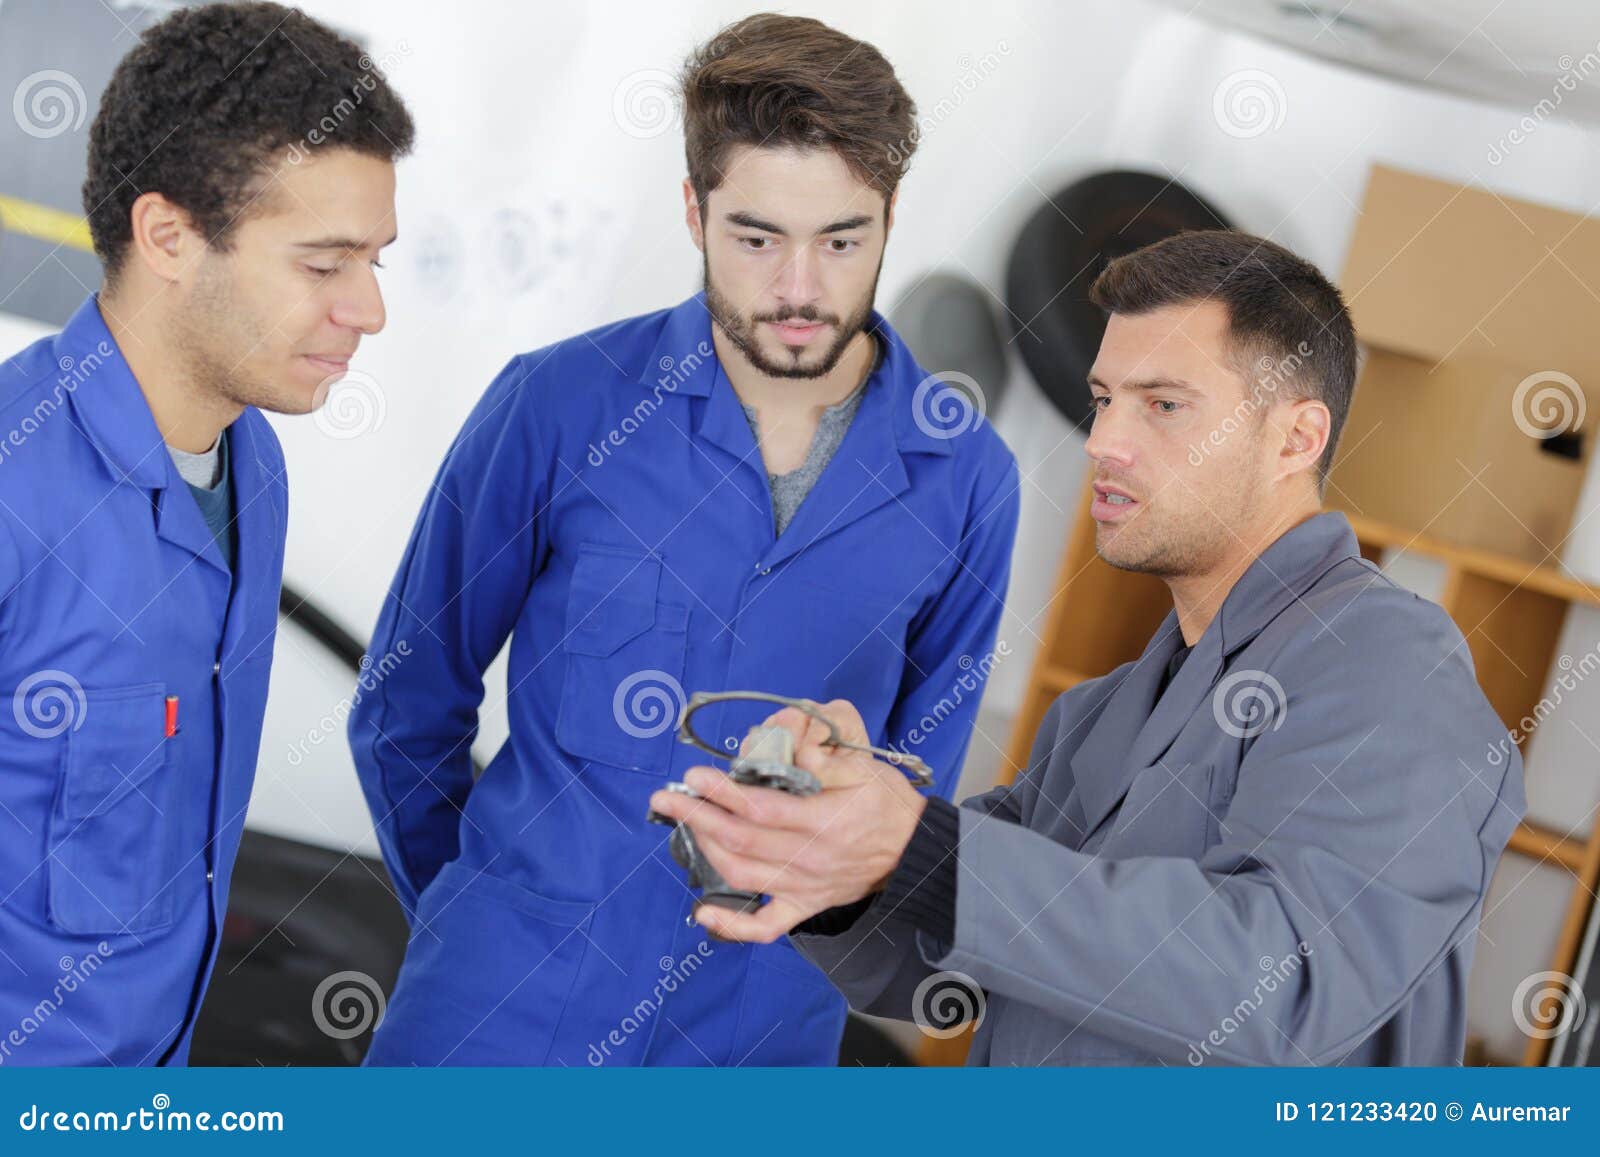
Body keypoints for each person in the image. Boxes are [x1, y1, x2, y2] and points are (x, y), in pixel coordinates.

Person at [649, 229, 1527, 1066]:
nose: (1104, 441)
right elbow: (945, 958)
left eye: (1165, 405)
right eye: (1105, 400)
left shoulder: (1388, 663)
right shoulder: (1102, 713)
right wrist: (830, 850)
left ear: (1296, 438)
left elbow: (1289, 984)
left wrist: (915, 846)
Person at [349, 13, 1019, 1066]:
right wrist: (482, 918)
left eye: (842, 240)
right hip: (495, 1019)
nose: (800, 289)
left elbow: (905, 800)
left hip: (756, 1040)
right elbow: (404, 702)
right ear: (693, 211)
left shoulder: (967, 478)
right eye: (756, 237)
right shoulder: (559, 404)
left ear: (891, 217)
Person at [0, 2, 413, 1065]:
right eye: (324, 265)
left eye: (376, 260)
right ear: (169, 235)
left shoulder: (253, 466)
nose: (367, 308)